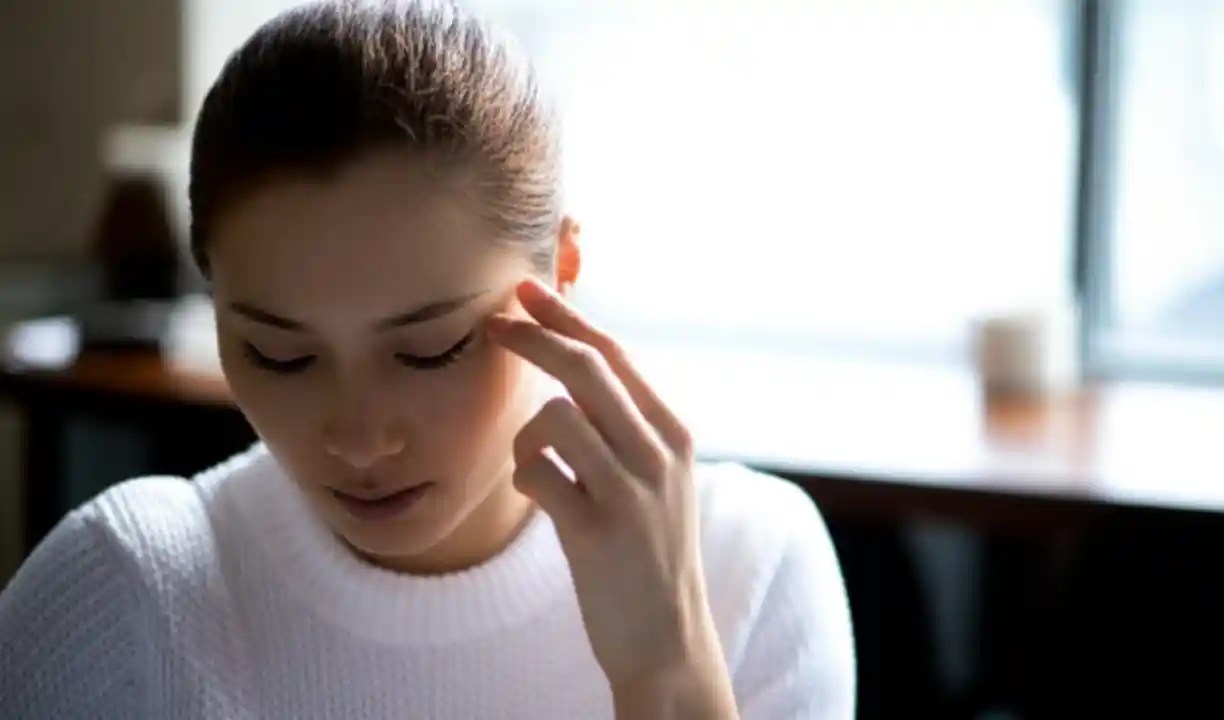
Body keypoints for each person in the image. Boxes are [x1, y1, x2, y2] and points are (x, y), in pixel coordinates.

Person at [0, 1, 854, 717]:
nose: (361, 440)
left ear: (560, 273)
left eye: (431, 349)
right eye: (279, 354)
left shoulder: (747, 564)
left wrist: (669, 676)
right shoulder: (125, 591)